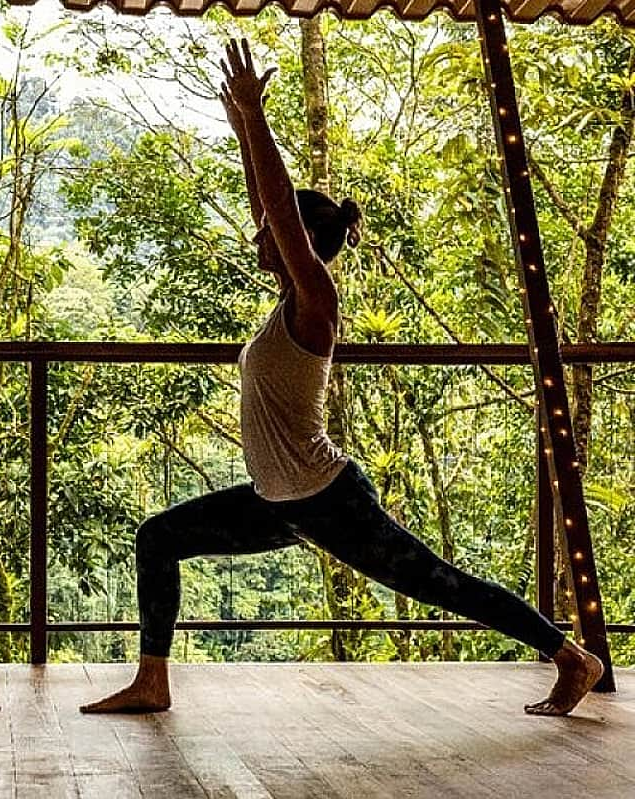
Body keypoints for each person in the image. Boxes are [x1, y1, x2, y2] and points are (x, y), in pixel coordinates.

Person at [81, 40, 603, 718]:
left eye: (270, 230)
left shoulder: (314, 299)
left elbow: (275, 205)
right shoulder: (286, 300)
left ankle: (572, 657)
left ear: (296, 237)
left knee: (440, 583)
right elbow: (267, 203)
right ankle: (152, 680)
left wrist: (256, 115)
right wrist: (241, 128)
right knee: (159, 537)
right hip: (280, 499)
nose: (256, 235)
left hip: (328, 501)